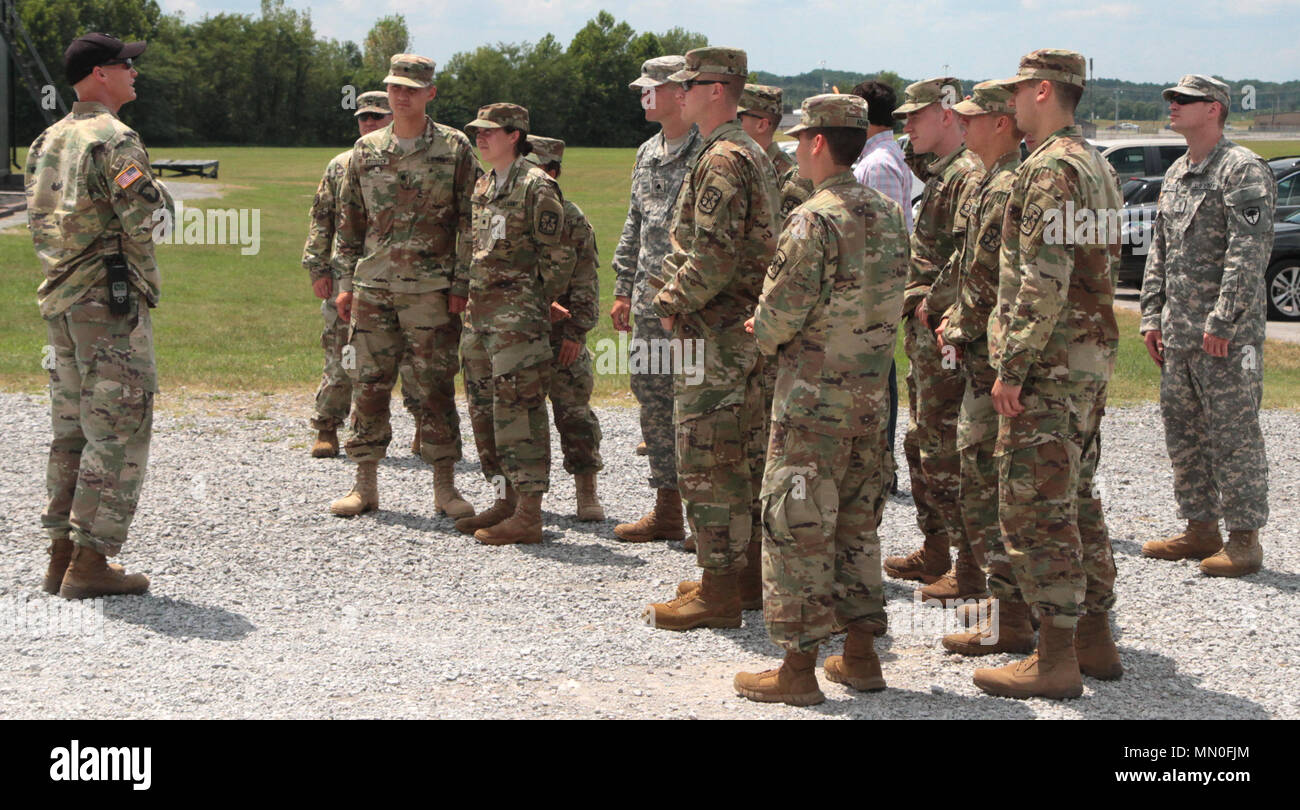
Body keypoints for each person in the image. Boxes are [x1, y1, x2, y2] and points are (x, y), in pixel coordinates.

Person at [733, 94, 908, 706]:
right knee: (859, 529)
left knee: (798, 528)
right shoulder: (889, 213)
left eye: (800, 139)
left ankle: (798, 671)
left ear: (815, 143)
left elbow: (779, 317)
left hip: (811, 410)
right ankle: (860, 657)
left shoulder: (814, 218)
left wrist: (763, 327)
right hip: (870, 405)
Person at [975, 49, 1123, 699]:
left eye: (1016, 90)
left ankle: (1056, 656)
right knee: (1077, 496)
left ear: (1043, 90)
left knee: (1037, 505)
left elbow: (1042, 277)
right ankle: (1094, 639)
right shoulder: (1093, 164)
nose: (1008, 102)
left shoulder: (1048, 171)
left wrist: (1012, 365)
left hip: (1051, 363)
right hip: (1085, 359)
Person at [27, 32, 171, 598]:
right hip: (107, 307)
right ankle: (88, 564)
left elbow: (43, 225)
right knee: (118, 428)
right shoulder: (115, 139)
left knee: (70, 431)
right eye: (126, 65)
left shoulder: (46, 140)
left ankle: (60, 554)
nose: (134, 73)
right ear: (99, 75)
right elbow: (149, 220)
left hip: (61, 302)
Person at [643, 47, 779, 630]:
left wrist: (670, 301)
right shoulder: (746, 150)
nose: (680, 90)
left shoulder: (723, 156)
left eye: (689, 82)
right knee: (741, 454)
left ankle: (718, 591)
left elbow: (714, 255)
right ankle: (743, 578)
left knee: (708, 460)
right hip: (741, 332)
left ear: (718, 89)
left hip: (716, 333)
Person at [330, 54, 478, 520]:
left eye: (412, 88)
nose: (401, 95)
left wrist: (461, 281)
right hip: (373, 288)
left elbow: (472, 220)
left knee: (434, 387)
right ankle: (364, 485)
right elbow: (349, 220)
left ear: (430, 93)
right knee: (368, 386)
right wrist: (345, 280)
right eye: (395, 87)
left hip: (432, 291)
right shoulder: (366, 149)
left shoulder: (455, 149)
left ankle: (445, 488)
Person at [1139, 75, 1275, 578]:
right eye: (1171, 99)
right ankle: (1200, 527)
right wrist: (1151, 316)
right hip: (1178, 334)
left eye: (1183, 100)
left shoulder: (1241, 170)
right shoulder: (1178, 171)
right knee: (1185, 433)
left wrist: (1224, 318)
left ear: (1214, 109)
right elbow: (1162, 250)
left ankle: (1244, 539)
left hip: (1225, 336)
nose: (1172, 106)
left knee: (1234, 435)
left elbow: (1248, 252)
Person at [933, 82, 1035, 655]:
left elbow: (984, 278)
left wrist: (954, 324)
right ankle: (1003, 606)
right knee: (983, 483)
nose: (963, 126)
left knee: (987, 487)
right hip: (984, 352)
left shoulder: (1002, 187)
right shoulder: (988, 181)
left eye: (972, 119)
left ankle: (1009, 619)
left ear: (1000, 123)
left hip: (988, 355)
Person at [884, 78, 986, 603]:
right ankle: (938, 548)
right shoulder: (944, 170)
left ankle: (970, 567)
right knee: (922, 443)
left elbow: (973, 252)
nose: (907, 127)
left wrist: (930, 297)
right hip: (925, 332)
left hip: (942, 328)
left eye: (915, 116)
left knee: (947, 450)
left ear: (947, 115)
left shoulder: (967, 176)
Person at [455, 103, 569, 545]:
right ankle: (503, 499)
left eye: (489, 131)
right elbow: (474, 248)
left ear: (515, 135)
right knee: (485, 411)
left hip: (516, 324)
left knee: (519, 412)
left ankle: (528, 514)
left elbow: (557, 257)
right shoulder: (485, 185)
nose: (480, 138)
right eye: (476, 131)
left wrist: (531, 303)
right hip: (481, 321)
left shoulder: (536, 186)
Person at [302, 91, 423, 459]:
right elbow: (322, 218)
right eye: (363, 117)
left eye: (377, 116)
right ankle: (327, 426)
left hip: (407, 279)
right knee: (342, 353)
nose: (369, 123)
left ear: (392, 118)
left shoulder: (413, 162)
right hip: (348, 278)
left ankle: (423, 427)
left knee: (414, 359)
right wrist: (318, 267)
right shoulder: (341, 164)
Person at [610, 56, 701, 545]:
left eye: (653, 87)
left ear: (681, 91)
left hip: (691, 306)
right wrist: (624, 288)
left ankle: (705, 517)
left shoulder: (707, 150)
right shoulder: (647, 151)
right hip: (648, 303)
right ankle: (667, 507)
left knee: (697, 406)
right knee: (653, 400)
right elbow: (634, 224)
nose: (644, 95)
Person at [525, 135, 606, 521]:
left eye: (539, 170)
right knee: (519, 417)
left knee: (573, 413)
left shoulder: (572, 220)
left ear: (554, 173)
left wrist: (576, 331)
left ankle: (586, 490)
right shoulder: (512, 215)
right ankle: (521, 498)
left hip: (561, 337)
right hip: (519, 331)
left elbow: (587, 281)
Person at [849, 78, 910, 492]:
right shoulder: (880, 156)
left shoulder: (878, 164)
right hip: (874, 293)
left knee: (877, 379)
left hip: (873, 293)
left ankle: (879, 467)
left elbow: (884, 238)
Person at [737, 83, 812, 217]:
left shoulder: (792, 180)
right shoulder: (741, 167)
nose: (731, 123)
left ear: (761, 125)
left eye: (738, 118)